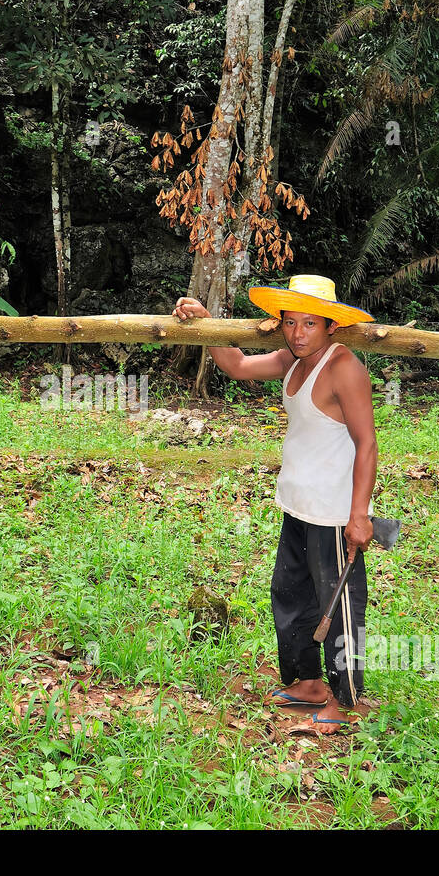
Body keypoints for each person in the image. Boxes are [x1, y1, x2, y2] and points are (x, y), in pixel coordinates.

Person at [173, 274, 379, 735]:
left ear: (329, 325)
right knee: (291, 598)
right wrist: (208, 324)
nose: (298, 333)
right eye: (290, 322)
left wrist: (359, 515)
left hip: (332, 513)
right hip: (297, 506)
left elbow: (367, 444)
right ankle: (308, 683)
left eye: (310, 323)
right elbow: (239, 366)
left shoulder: (343, 367)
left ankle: (346, 700)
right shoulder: (291, 360)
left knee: (339, 606)